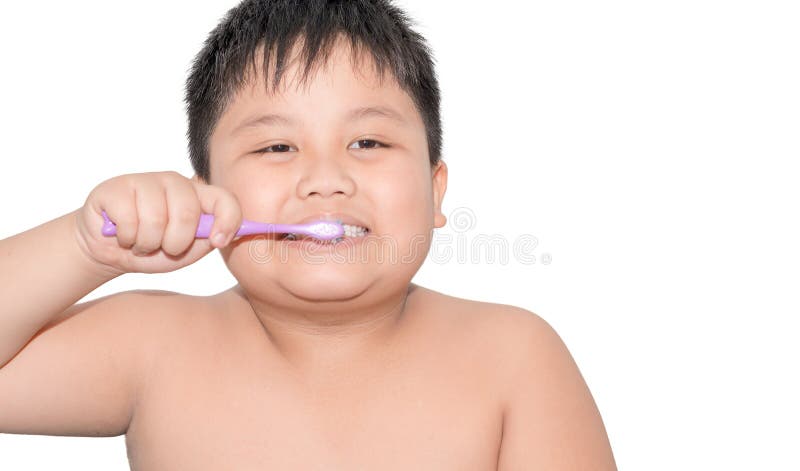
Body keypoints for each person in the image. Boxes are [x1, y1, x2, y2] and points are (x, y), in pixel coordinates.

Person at [0, 0, 617, 468]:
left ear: (436, 191)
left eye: (368, 142)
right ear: (204, 195)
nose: (325, 179)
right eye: (276, 145)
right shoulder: (152, 346)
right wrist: (85, 249)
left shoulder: (514, 355)